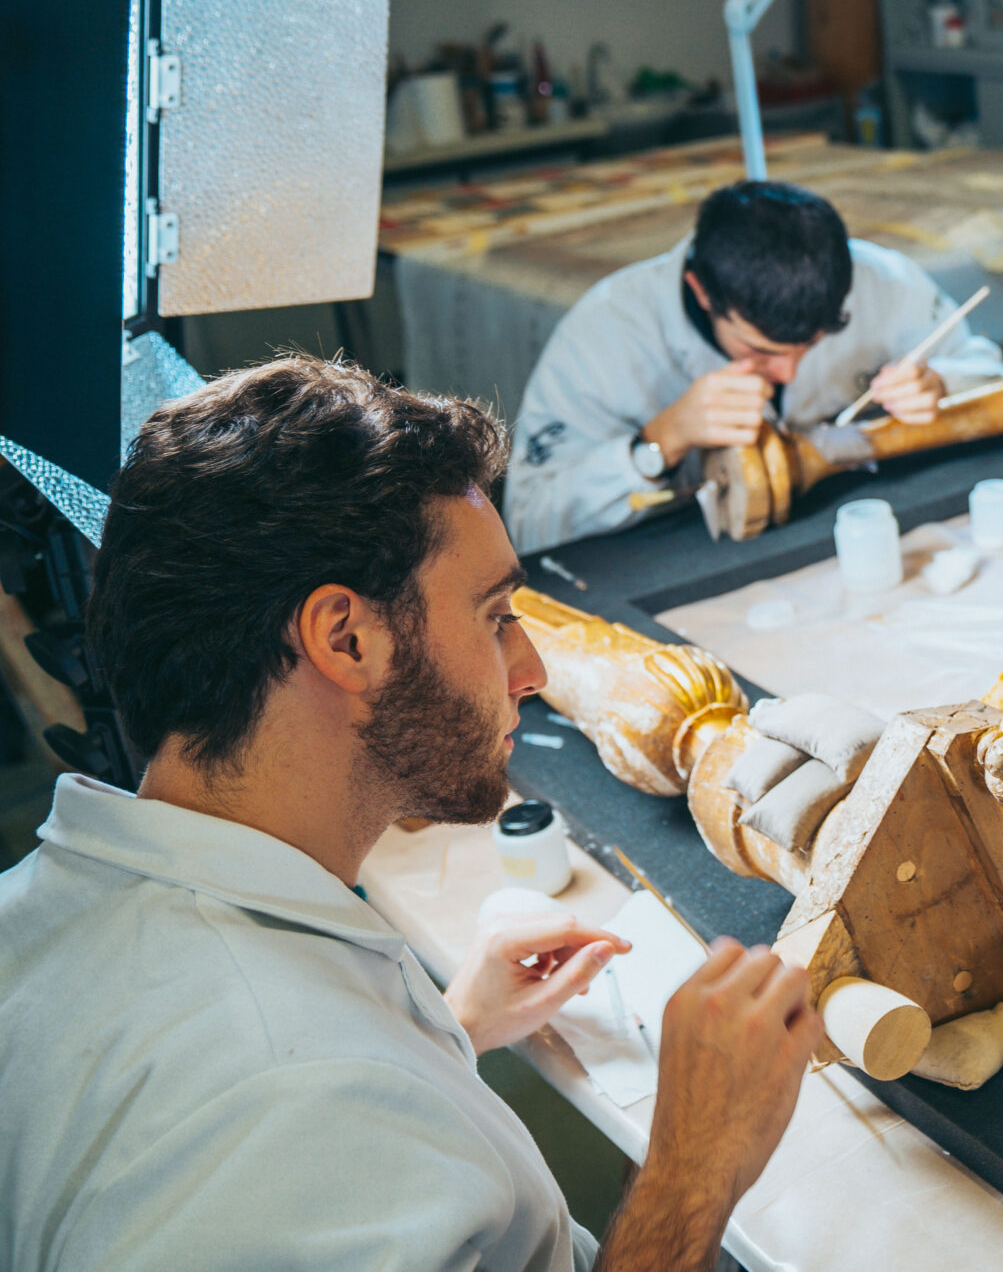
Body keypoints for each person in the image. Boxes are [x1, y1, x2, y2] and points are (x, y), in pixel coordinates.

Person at [0, 356, 822, 1271]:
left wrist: (440, 1028)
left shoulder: (33, 915)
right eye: (496, 614)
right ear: (346, 638)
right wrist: (692, 1167)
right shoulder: (295, 1099)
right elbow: (290, 1120)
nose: (532, 668)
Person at [506, 179, 1003, 552]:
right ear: (702, 291)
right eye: (761, 351)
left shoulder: (882, 279)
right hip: (670, 563)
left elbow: (996, 378)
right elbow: (529, 525)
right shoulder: (605, 333)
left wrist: (942, 384)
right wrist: (661, 441)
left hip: (856, 527)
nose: (787, 374)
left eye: (813, 345)